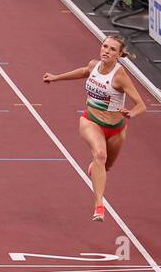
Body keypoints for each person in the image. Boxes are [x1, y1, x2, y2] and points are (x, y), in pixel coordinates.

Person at [43, 35, 146, 220]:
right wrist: (56, 77)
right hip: (90, 121)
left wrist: (131, 113)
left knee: (106, 166)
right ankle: (99, 206)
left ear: (119, 54)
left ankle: (96, 169)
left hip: (116, 128)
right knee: (100, 155)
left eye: (112, 49)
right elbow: (84, 71)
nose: (106, 50)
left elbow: (141, 104)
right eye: (104, 46)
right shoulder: (94, 65)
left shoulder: (120, 76)